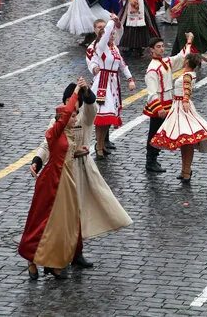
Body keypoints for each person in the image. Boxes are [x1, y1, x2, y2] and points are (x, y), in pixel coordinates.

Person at [29, 78, 132, 271]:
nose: (72, 102)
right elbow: (46, 145)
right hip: (63, 170)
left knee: (78, 213)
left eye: (75, 99)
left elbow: (93, 107)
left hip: (81, 168)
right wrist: (37, 161)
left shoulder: (83, 117)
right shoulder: (58, 120)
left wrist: (86, 89)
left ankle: (76, 253)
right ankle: (57, 254)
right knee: (62, 215)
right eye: (69, 98)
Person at [18, 81, 90, 280]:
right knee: (44, 222)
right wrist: (76, 91)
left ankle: (55, 261)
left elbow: (67, 151)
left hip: (66, 179)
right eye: (72, 114)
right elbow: (50, 146)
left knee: (63, 223)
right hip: (53, 180)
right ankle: (34, 259)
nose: (75, 116)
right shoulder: (55, 131)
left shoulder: (67, 133)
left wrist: (78, 152)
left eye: (76, 113)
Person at [150, 56, 207, 183]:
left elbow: (187, 88)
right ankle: (185, 170)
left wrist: (185, 101)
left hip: (181, 108)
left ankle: (186, 170)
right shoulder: (189, 73)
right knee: (184, 141)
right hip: (177, 107)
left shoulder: (188, 75)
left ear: (187, 62)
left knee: (186, 139)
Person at [143, 35, 193, 174]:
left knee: (159, 132)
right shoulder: (152, 69)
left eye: (162, 46)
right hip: (159, 105)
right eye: (158, 47)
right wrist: (158, 108)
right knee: (154, 132)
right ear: (151, 50)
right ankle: (150, 160)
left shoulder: (164, 62)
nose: (162, 49)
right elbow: (152, 92)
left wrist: (189, 42)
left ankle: (153, 157)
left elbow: (180, 57)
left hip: (167, 103)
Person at [88, 16, 135, 158]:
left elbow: (122, 65)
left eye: (113, 34)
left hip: (114, 84)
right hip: (103, 83)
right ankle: (99, 145)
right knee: (103, 115)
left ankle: (100, 144)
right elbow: (108, 29)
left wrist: (130, 79)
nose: (112, 36)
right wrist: (112, 21)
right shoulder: (100, 47)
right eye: (110, 34)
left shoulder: (114, 48)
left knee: (109, 117)